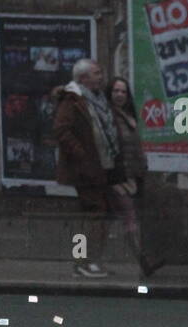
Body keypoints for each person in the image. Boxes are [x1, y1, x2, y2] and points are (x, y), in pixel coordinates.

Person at [53, 59, 161, 279]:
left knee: (95, 216)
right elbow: (61, 130)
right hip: (85, 170)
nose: (101, 76)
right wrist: (82, 155)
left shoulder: (97, 98)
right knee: (94, 214)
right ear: (83, 78)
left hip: (103, 168)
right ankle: (83, 262)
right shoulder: (73, 100)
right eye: (96, 73)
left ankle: (88, 261)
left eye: (100, 72)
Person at [108, 76, 164, 276]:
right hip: (118, 177)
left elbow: (135, 146)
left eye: (123, 91)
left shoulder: (127, 115)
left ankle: (141, 259)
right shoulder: (108, 116)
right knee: (130, 217)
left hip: (132, 175)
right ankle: (143, 260)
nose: (120, 95)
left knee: (126, 219)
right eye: (116, 91)